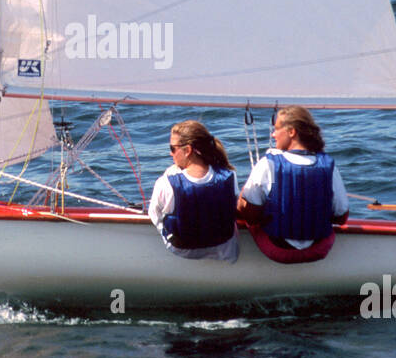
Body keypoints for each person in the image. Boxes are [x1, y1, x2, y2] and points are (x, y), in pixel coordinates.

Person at [237, 105, 349, 264]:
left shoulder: (268, 164)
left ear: (291, 132)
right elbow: (341, 217)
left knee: (246, 199)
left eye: (276, 129)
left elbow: (250, 216)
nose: (273, 134)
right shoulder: (328, 166)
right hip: (319, 248)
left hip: (278, 249)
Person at [148, 121, 239, 262]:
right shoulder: (229, 176)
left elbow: (154, 214)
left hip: (182, 250)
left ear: (188, 150)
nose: (170, 153)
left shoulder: (166, 182)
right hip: (223, 247)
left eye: (172, 148)